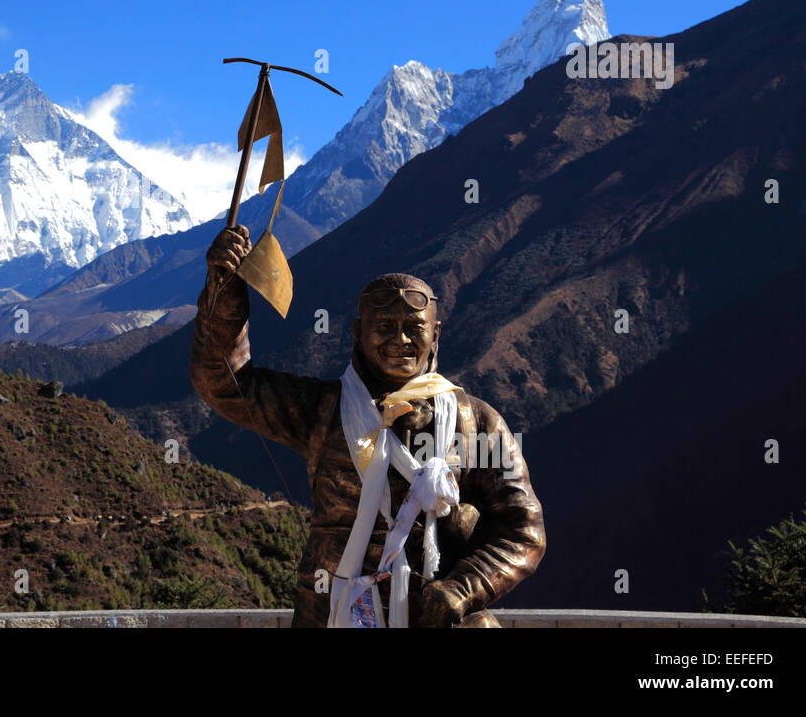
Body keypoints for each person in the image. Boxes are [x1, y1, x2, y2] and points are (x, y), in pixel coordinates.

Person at [189, 224, 546, 627]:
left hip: (433, 615)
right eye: (384, 326)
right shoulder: (323, 409)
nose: (400, 339)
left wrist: (463, 588)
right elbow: (224, 385)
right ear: (358, 333)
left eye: (414, 327)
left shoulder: (476, 422)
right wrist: (223, 291)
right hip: (331, 613)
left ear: (436, 334)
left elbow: (523, 530)